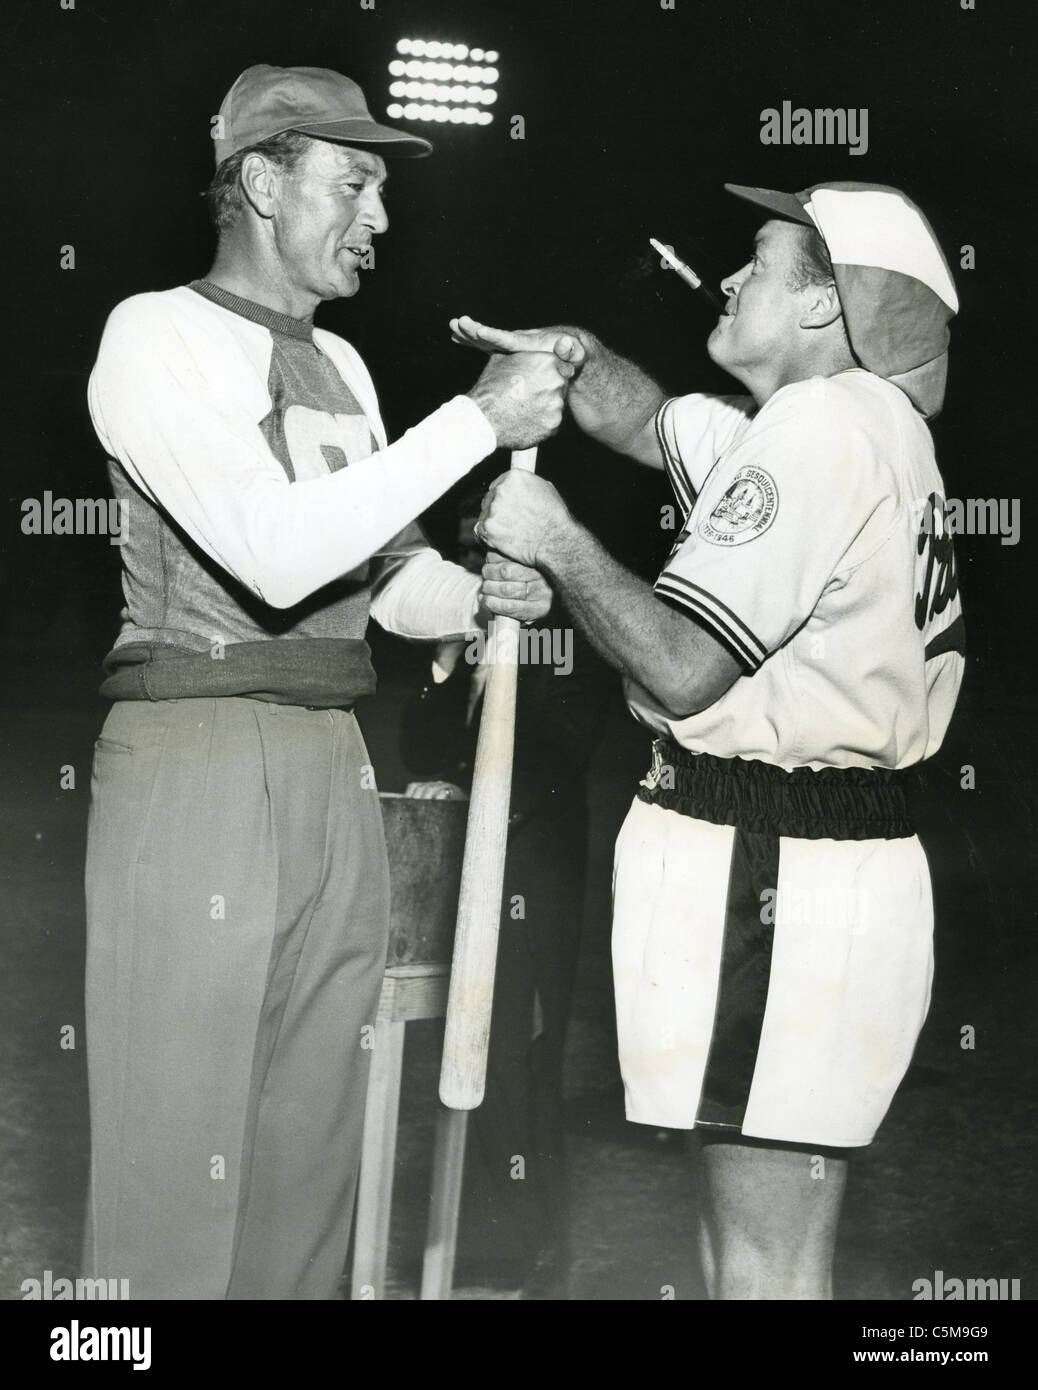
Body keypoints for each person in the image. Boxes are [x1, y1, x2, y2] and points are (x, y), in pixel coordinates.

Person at [81, 63, 577, 1300]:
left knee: (311, 1170)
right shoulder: (153, 335)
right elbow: (271, 550)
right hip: (195, 756)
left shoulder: (347, 369)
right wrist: (474, 421)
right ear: (258, 180)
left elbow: (375, 577)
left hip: (335, 759)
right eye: (352, 183)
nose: (381, 217)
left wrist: (479, 596)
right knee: (173, 1181)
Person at [467, 180, 965, 1299]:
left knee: (765, 1260)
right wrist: (576, 356)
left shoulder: (819, 435)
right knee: (762, 1248)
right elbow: (651, 420)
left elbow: (688, 668)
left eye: (758, 261)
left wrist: (558, 545)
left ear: (822, 306)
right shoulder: (843, 425)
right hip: (815, 859)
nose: (729, 276)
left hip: (774, 870)